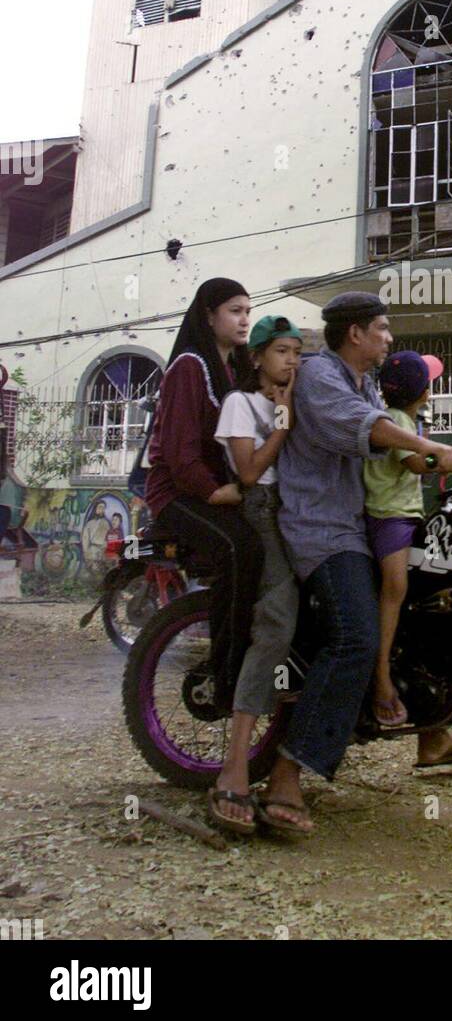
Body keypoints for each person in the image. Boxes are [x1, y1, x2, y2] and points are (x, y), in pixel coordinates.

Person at [257, 292, 452, 837]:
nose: (389, 338)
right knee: (357, 636)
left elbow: (388, 436)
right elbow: (367, 429)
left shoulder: (359, 379)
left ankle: (430, 730)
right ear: (355, 333)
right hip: (321, 529)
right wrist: (434, 449)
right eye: (382, 328)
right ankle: (285, 777)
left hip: (354, 524)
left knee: (420, 604)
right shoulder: (319, 376)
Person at [145, 278, 263, 722]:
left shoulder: (232, 368)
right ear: (208, 315)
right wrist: (217, 492)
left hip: (217, 488)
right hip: (178, 493)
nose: (244, 319)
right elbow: (178, 455)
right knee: (240, 548)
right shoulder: (190, 367)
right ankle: (224, 672)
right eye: (234, 310)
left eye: (247, 310)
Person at [208, 315, 304, 834]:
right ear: (257, 357)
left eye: (295, 351)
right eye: (281, 351)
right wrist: (283, 422)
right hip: (261, 510)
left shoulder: (288, 403)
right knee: (277, 623)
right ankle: (235, 765)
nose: (291, 359)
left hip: (299, 513)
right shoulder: (242, 404)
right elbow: (247, 473)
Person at [363, 349, 443, 727]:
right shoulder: (396, 421)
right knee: (394, 589)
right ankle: (379, 673)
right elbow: (415, 462)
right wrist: (446, 457)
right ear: (423, 392)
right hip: (388, 518)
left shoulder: (405, 420)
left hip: (404, 516)